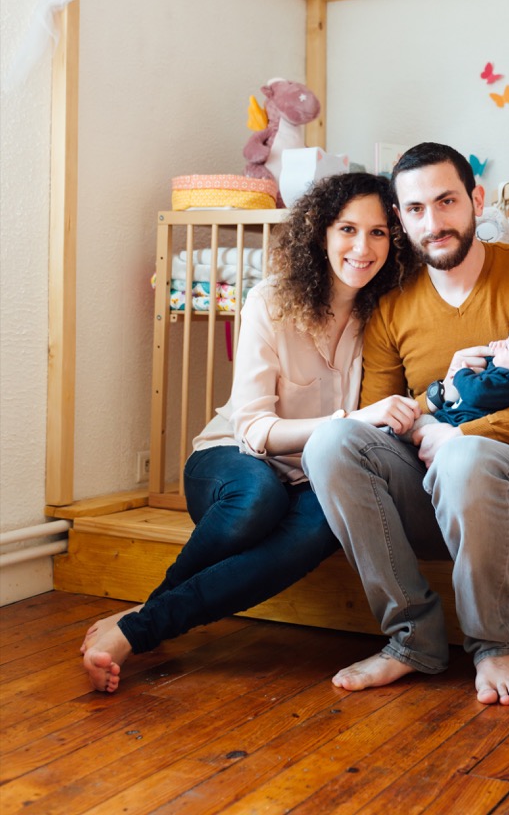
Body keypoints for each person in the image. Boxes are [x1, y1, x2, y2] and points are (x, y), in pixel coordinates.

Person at [81, 172, 420, 693]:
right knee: (259, 496)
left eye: (378, 233)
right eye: (348, 229)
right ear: (322, 233)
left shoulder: (388, 314)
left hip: (316, 476)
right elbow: (256, 430)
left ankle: (141, 623)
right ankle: (148, 618)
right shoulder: (271, 301)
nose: (362, 247)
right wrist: (352, 420)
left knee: (328, 523)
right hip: (233, 459)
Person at [302, 143, 509, 706]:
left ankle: (492, 642)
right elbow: (383, 418)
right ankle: (411, 637)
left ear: (475, 199)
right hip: (429, 501)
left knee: (465, 457)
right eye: (414, 210)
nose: (433, 223)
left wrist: (466, 435)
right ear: (400, 217)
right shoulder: (391, 303)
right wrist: (438, 400)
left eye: (446, 202)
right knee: (332, 440)